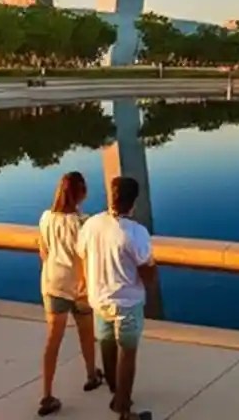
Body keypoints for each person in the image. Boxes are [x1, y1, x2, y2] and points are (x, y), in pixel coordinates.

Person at [77, 176, 156, 420]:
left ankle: (115, 389)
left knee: (107, 344)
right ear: (133, 202)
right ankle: (123, 409)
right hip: (126, 302)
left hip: (99, 299)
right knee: (127, 353)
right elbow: (147, 271)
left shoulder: (91, 224)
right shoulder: (136, 233)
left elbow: (82, 255)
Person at [36, 172, 104, 417]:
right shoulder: (83, 223)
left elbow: (42, 251)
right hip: (79, 286)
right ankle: (90, 374)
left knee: (52, 341)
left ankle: (46, 394)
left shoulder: (45, 218)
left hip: (53, 283)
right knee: (86, 334)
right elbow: (89, 258)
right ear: (81, 193)